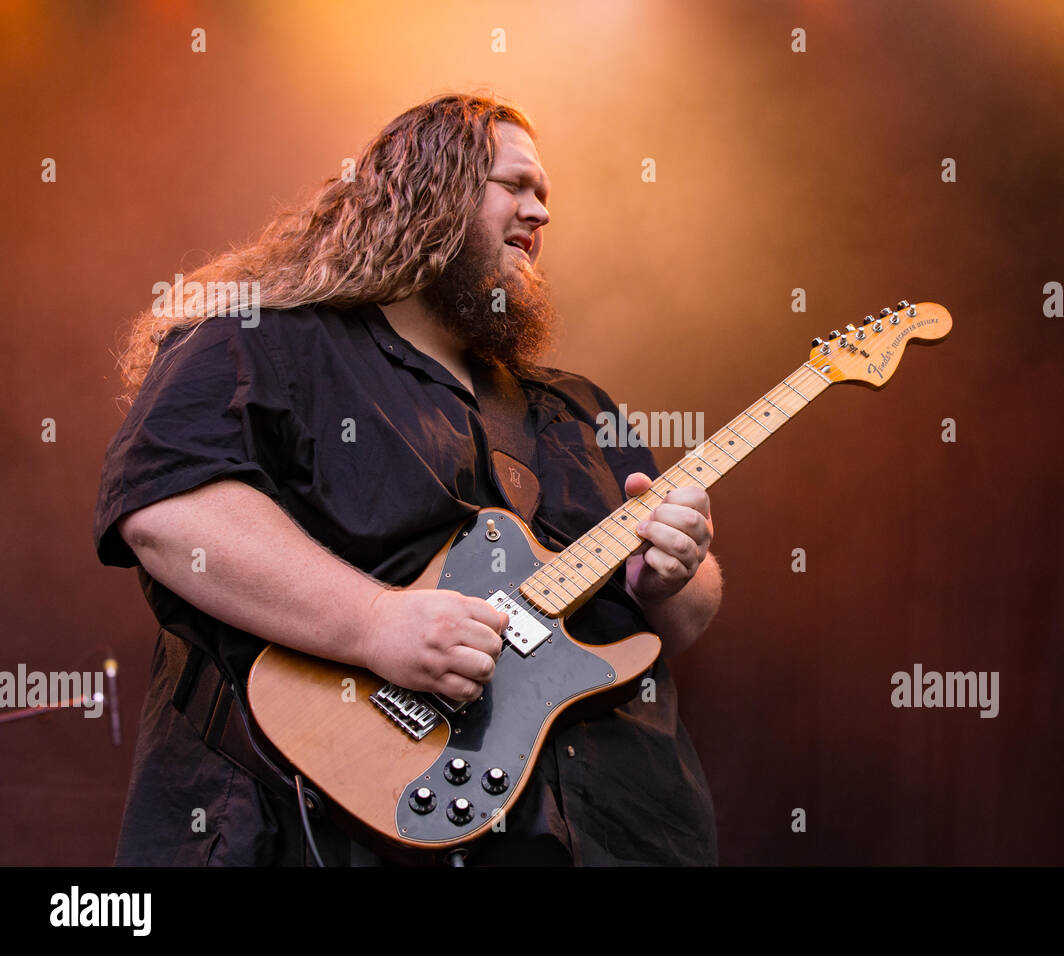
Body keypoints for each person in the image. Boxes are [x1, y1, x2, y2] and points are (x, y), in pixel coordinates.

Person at [93, 92, 723, 866]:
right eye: (516, 186)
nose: (541, 213)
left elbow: (680, 623)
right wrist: (373, 623)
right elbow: (169, 510)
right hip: (325, 824)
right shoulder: (266, 339)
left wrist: (676, 574)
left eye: (547, 197)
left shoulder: (578, 408)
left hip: (612, 830)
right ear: (433, 192)